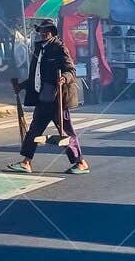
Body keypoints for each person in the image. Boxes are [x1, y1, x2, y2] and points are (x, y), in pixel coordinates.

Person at [8, 20, 88, 174]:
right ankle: (26, 162)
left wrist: (64, 78)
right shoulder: (39, 49)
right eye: (41, 30)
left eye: (47, 30)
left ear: (52, 32)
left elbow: (71, 70)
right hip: (43, 98)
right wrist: (22, 86)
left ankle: (81, 162)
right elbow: (36, 76)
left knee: (66, 132)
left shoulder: (59, 47)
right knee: (34, 130)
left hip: (58, 99)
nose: (44, 33)